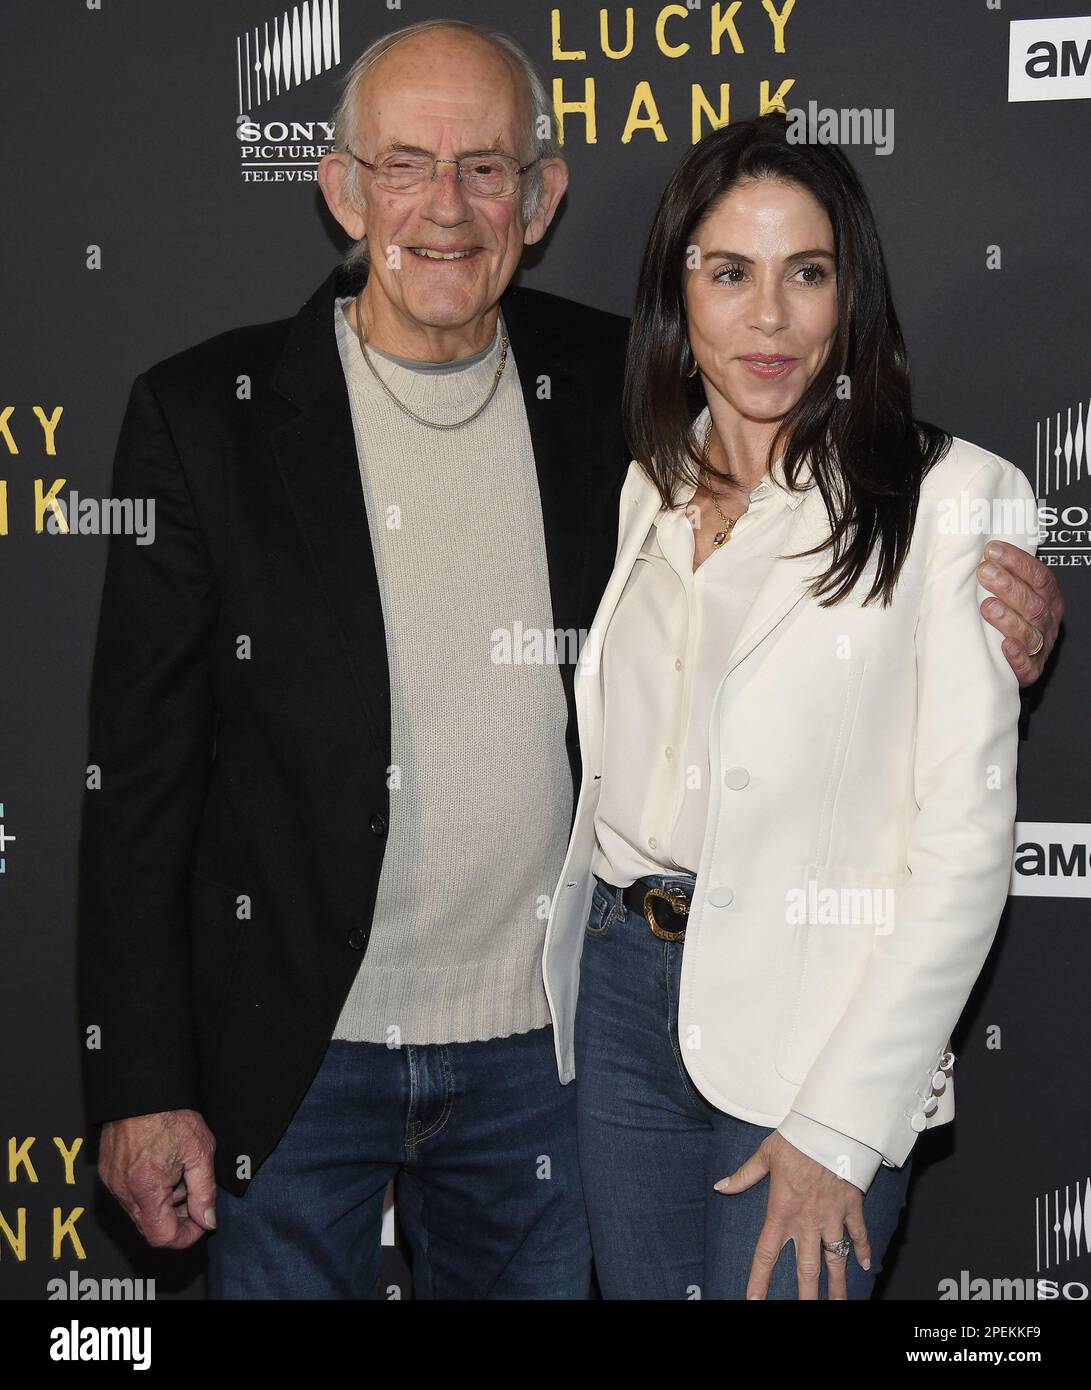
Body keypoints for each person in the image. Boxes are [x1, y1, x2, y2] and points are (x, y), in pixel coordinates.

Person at [77, 21, 1059, 1300]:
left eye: (487, 167)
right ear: (337, 188)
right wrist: (144, 1084)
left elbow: (829, 437)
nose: (446, 206)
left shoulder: (613, 392)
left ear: (540, 200)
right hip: (292, 1059)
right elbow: (136, 784)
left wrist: (987, 580)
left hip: (539, 1062)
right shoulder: (205, 415)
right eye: (405, 164)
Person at [542, 113, 1046, 1300]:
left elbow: (963, 851)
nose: (767, 318)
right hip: (620, 999)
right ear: (678, 299)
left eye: (804, 274)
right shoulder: (644, 487)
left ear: (848, 296)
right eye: (729, 274)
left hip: (818, 1020)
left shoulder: (950, 499)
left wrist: (841, 1123)